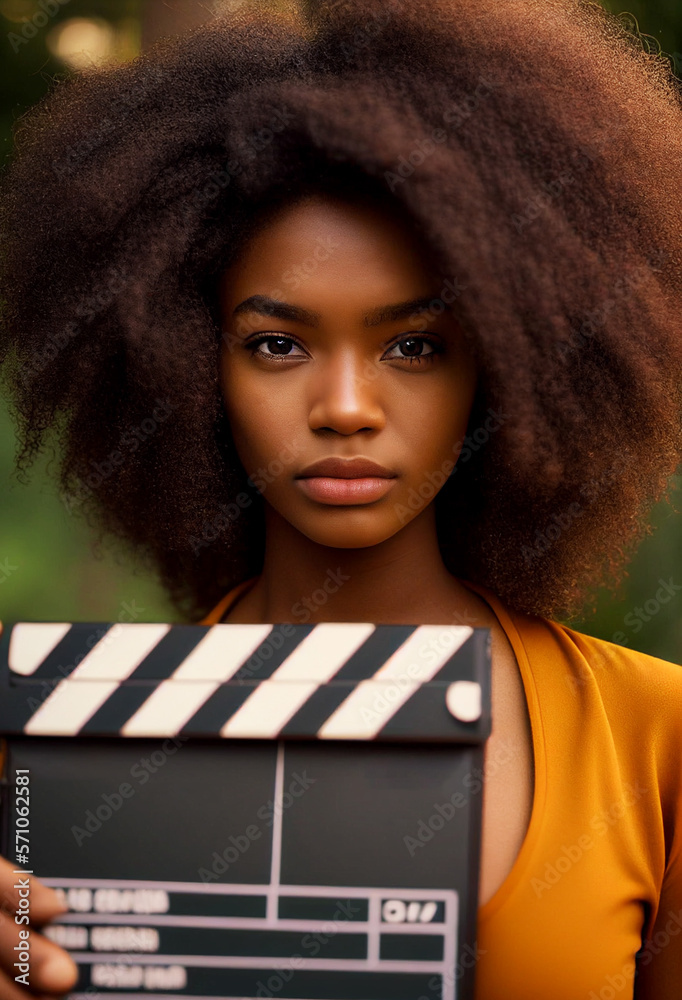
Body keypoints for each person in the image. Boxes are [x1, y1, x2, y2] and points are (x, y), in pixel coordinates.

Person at [0, 0, 681, 996]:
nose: (347, 407)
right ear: (184, 367)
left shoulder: (654, 736)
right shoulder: (66, 753)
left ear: (509, 362)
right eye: (277, 344)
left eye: (414, 346)